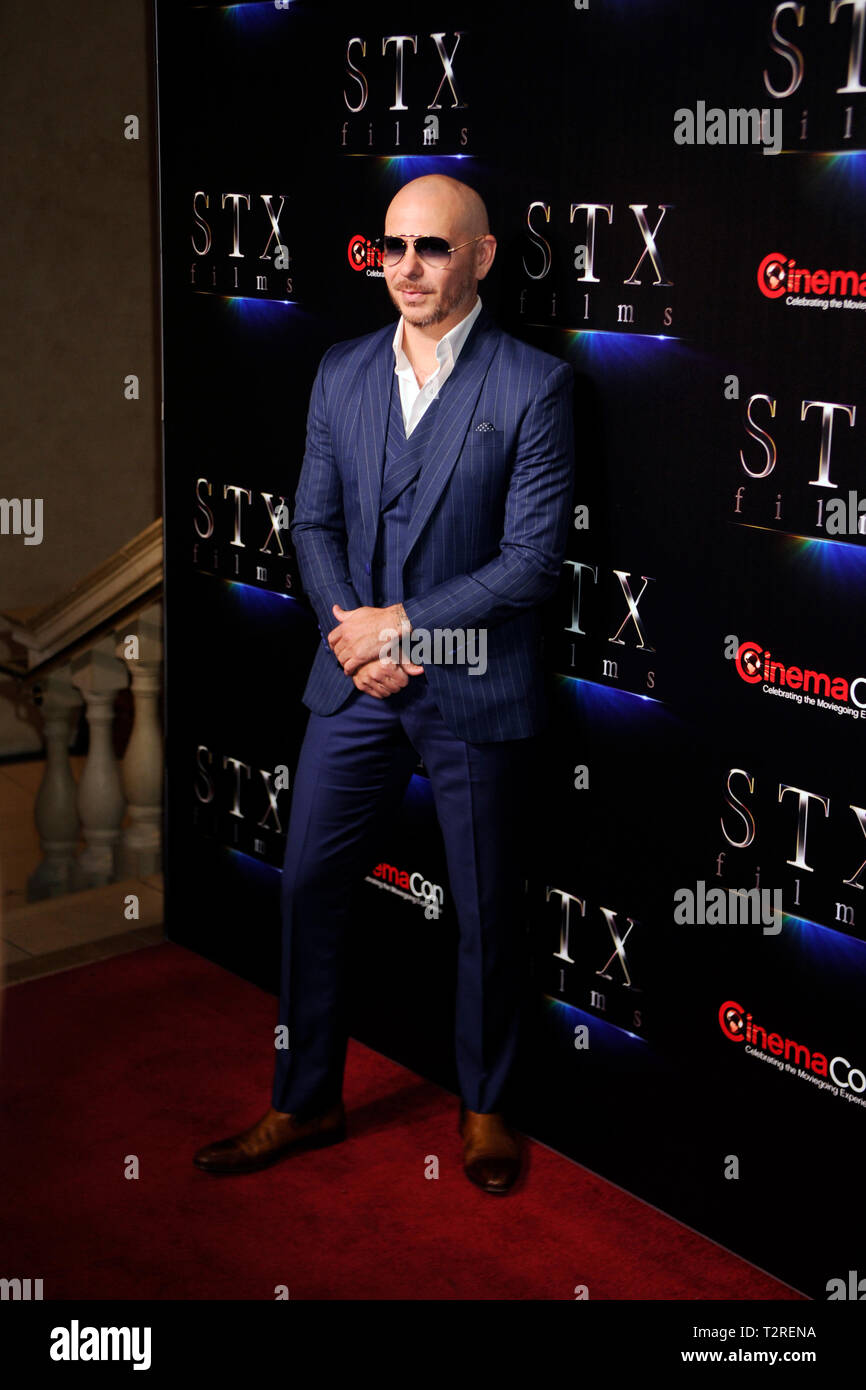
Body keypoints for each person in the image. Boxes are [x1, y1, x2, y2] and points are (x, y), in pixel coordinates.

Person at [194, 174, 575, 1194]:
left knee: (485, 910)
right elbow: (312, 523)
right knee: (309, 884)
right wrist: (351, 636)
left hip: (472, 685)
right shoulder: (342, 369)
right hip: (354, 679)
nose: (407, 266)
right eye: (392, 247)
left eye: (433, 248)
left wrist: (401, 625)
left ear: (480, 257)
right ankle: (304, 1098)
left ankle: (485, 1107)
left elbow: (532, 562)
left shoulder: (531, 384)